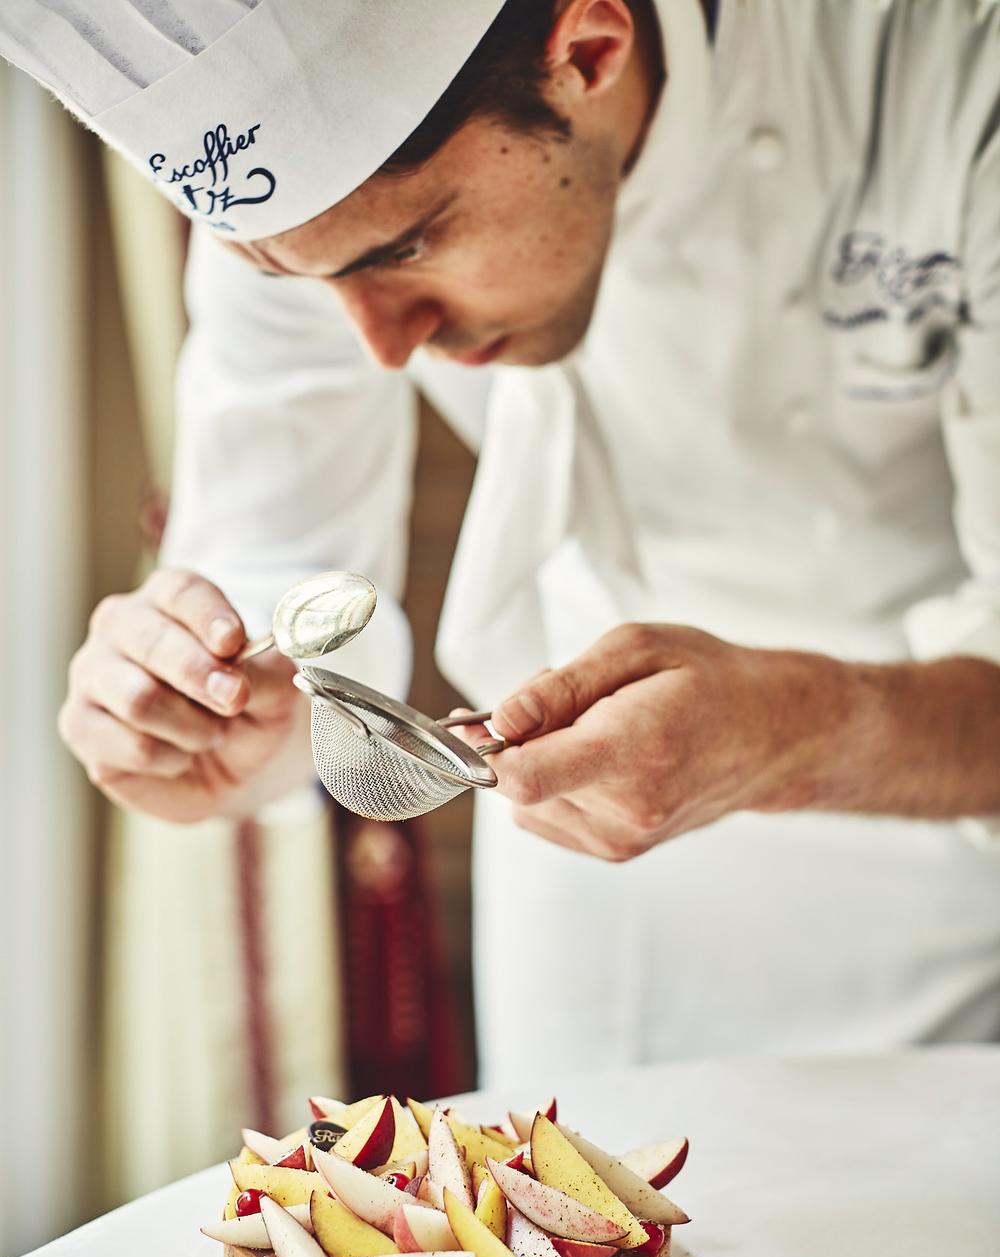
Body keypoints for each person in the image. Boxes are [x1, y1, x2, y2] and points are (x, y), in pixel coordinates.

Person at [4, 0, 999, 1086]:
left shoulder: (955, 68)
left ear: (590, 51)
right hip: (582, 886)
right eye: (305, 280)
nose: (383, 347)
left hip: (947, 850)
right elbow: (276, 573)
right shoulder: (292, 215)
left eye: (407, 247)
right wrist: (208, 707)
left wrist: (792, 733)